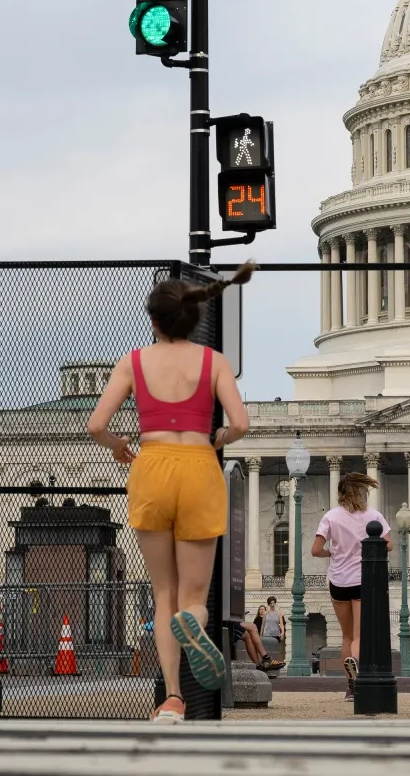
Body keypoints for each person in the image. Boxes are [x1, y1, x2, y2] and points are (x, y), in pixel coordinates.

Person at [86, 263, 255, 723]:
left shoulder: (134, 361)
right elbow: (240, 424)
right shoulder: (214, 362)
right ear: (194, 319)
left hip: (152, 465)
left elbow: (96, 424)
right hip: (199, 467)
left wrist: (120, 445)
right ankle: (193, 623)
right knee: (192, 597)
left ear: (154, 320)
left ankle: (173, 698)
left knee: (164, 592)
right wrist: (218, 439)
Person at [312, 472, 387, 699]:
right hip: (362, 579)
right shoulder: (373, 515)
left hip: (338, 581)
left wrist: (331, 552)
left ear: (340, 493)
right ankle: (355, 661)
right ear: (361, 492)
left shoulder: (331, 517)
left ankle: (350, 687)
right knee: (358, 635)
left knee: (346, 635)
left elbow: (315, 550)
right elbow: (389, 544)